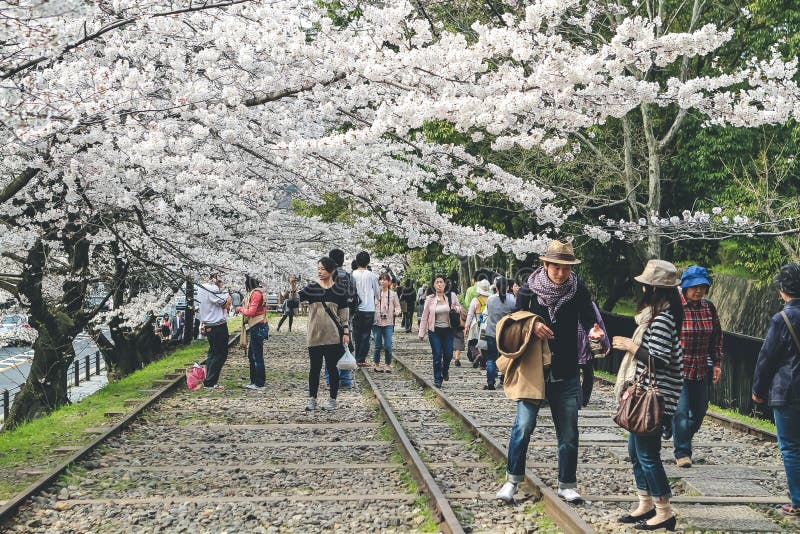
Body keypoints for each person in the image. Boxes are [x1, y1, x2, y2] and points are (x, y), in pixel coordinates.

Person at [496, 240, 603, 505]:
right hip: (533, 370)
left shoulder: (578, 290)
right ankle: (512, 480)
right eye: (556, 267)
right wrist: (531, 326)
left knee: (568, 432)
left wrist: (594, 331)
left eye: (566, 268)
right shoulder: (529, 291)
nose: (561, 273)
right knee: (523, 425)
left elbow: (590, 318)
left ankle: (567, 484)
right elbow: (513, 324)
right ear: (545, 265)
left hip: (566, 369)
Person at [611, 259, 684, 531]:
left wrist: (630, 346)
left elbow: (660, 360)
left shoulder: (663, 320)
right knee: (635, 451)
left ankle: (664, 510)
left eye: (645, 286)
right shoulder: (657, 316)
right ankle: (646, 502)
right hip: (646, 394)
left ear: (654, 290)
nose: (642, 290)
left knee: (648, 455)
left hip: (655, 398)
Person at [752, 263, 800, 518]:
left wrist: (758, 390)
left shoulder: (781, 319)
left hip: (788, 391)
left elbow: (767, 358)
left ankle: (798, 501)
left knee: (791, 447)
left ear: (783, 290)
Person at [672, 265, 724, 467]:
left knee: (700, 412)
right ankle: (682, 453)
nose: (698, 290)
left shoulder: (708, 307)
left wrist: (717, 363)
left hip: (701, 368)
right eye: (694, 286)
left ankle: (678, 434)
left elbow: (717, 338)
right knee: (681, 412)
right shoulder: (675, 306)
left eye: (702, 286)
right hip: (678, 369)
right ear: (684, 287)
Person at [298, 257, 350, 411]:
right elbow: (295, 301)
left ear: (331, 270)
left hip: (333, 337)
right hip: (314, 336)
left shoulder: (339, 291)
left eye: (322, 269)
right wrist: (294, 286)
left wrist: (346, 333)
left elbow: (344, 315)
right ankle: (312, 399)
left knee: (332, 369)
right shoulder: (312, 288)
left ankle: (332, 400)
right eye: (318, 268)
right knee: (314, 369)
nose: (319, 271)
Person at [419, 274, 462, 387]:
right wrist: (421, 332)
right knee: (437, 355)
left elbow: (460, 308)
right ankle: (437, 379)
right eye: (437, 282)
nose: (439, 284)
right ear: (433, 285)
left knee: (448, 354)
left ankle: (445, 369)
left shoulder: (451, 296)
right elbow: (425, 316)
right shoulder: (430, 299)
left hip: (448, 330)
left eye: (441, 282)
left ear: (444, 284)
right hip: (434, 331)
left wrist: (455, 308)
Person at [198, 274, 232, 391]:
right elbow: (225, 303)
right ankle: (211, 382)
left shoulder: (201, 287)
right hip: (217, 325)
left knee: (213, 353)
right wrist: (224, 289)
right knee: (220, 354)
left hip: (209, 325)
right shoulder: (212, 288)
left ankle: (209, 381)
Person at [236, 275, 269, 390]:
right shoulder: (258, 292)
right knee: (252, 355)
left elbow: (251, 311)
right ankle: (254, 381)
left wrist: (240, 309)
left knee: (256, 355)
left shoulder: (256, 294)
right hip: (257, 326)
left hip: (257, 326)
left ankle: (259, 383)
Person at [483, 277, 516, 390]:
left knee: (491, 359)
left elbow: (488, 312)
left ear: (496, 287)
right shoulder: (512, 300)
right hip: (506, 333)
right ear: (508, 287)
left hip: (491, 332)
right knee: (506, 357)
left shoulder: (490, 299)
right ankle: (504, 379)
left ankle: (490, 382)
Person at [329, 249, 355, 388]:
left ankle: (330, 378)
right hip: (345, 315)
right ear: (343, 260)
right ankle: (345, 379)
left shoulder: (326, 275)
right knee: (345, 345)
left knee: (328, 347)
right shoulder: (349, 276)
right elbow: (353, 296)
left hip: (329, 316)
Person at [577, 302, 610, 407]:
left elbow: (599, 323)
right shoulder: (589, 304)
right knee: (585, 371)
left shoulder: (590, 304)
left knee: (586, 371)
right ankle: (581, 399)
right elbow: (600, 322)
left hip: (587, 340)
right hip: (582, 340)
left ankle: (582, 399)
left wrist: (605, 342)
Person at [351, 251, 380, 367]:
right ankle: (361, 359)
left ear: (356, 261)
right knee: (366, 334)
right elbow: (378, 294)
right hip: (369, 309)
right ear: (368, 262)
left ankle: (356, 357)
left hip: (356, 309)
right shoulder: (372, 275)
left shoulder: (352, 274)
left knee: (357, 334)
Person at [373, 273, 402, 372]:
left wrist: (396, 312)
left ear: (389, 282)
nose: (382, 281)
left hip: (389, 322)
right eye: (381, 279)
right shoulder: (375, 293)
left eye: (385, 280)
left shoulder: (393, 294)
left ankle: (387, 364)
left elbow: (398, 307)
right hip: (377, 322)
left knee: (388, 345)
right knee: (377, 345)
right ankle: (376, 364)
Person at [465, 280, 491, 368]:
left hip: (476, 324)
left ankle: (476, 355)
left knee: (472, 342)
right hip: (487, 324)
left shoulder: (476, 300)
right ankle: (483, 364)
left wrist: (467, 326)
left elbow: (470, 314)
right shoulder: (492, 298)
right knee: (484, 344)